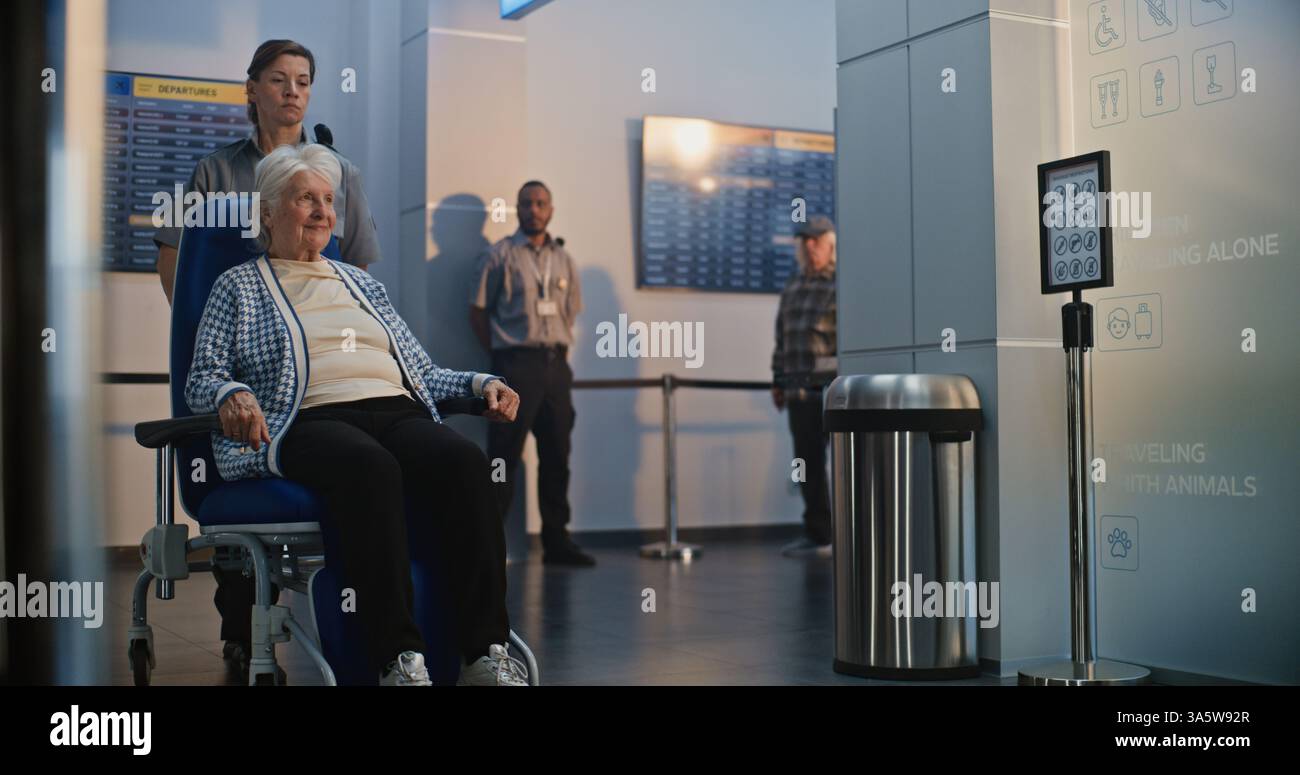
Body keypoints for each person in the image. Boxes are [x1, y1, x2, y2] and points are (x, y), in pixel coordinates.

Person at [186, 143, 528, 685]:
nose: (324, 211)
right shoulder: (239, 285)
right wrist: (232, 393)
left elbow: (423, 370)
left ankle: (484, 651)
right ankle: (397, 657)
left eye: (329, 199)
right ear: (269, 212)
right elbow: (202, 375)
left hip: (395, 411)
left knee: (463, 461)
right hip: (308, 419)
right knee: (369, 467)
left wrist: (482, 382)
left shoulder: (362, 284)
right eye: (306, 199)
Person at [153, 39, 385, 675]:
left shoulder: (338, 170)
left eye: (304, 81)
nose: (292, 91)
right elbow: (175, 259)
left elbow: (354, 268)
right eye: (278, 80)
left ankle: (372, 627)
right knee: (246, 471)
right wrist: (209, 340)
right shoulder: (216, 172)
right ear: (251, 89)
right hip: (242, 355)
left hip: (319, 367)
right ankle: (242, 629)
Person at [468, 181, 594, 566]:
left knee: (557, 454)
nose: (534, 210)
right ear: (517, 210)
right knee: (502, 457)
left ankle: (557, 541)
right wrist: (504, 355)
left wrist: (552, 352)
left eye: (541, 203)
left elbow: (570, 311)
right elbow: (477, 312)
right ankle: (488, 545)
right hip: (514, 366)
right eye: (527, 204)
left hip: (556, 366)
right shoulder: (499, 255)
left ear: (551, 210)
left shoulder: (565, 260)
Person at [771, 216, 838, 558]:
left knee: (844, 464)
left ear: (830, 245)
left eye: (815, 241)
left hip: (834, 393)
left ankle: (848, 533)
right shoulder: (793, 285)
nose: (809, 247)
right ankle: (818, 533)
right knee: (808, 464)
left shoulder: (842, 283)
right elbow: (782, 338)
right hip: (799, 394)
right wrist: (778, 381)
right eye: (804, 241)